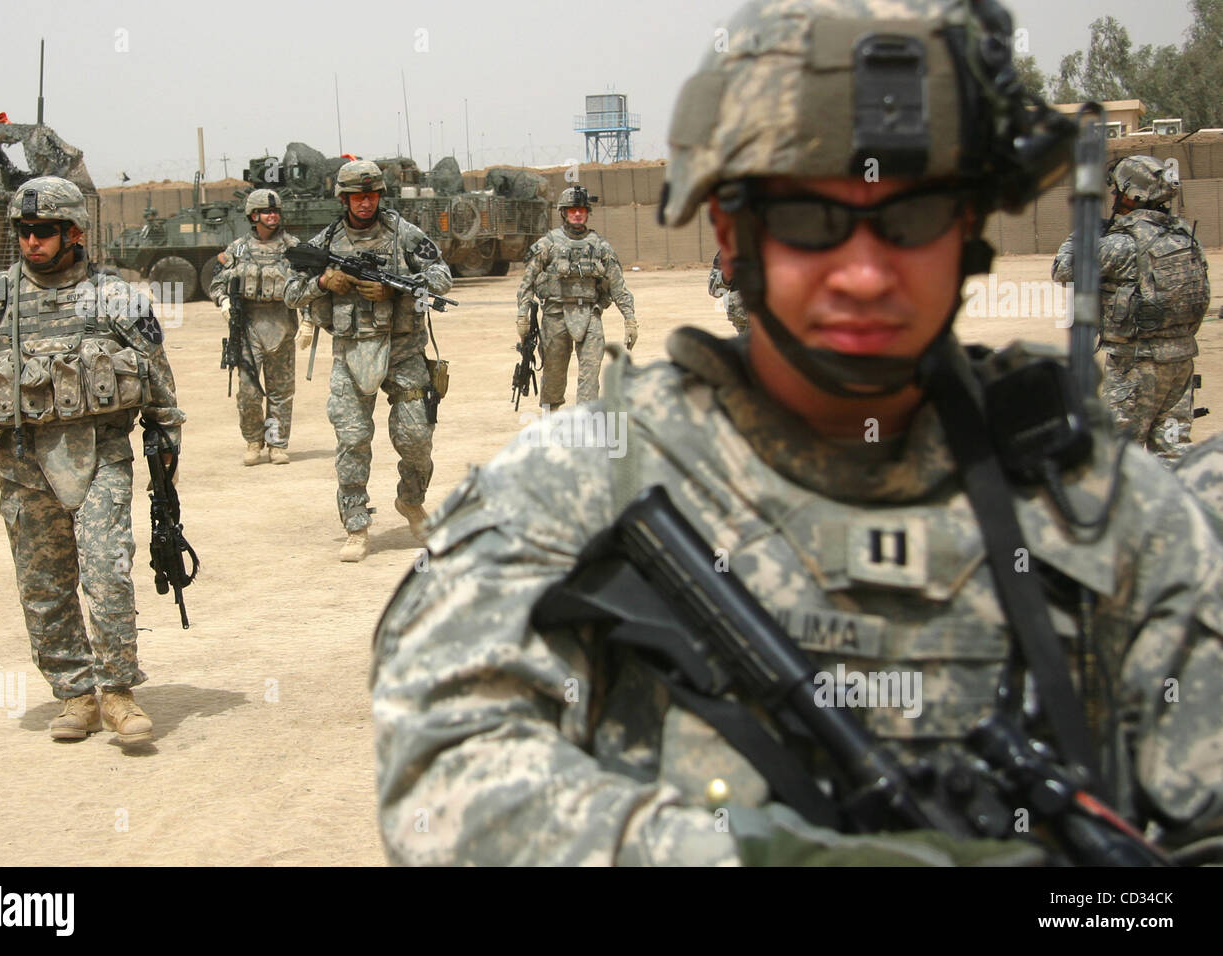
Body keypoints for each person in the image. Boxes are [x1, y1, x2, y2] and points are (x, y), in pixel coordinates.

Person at [370, 0, 1223, 866]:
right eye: (811, 221)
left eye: (911, 216)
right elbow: (445, 766)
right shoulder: (581, 485)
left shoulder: (1099, 508)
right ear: (735, 236)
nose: (863, 273)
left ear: (968, 230)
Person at [0, 176, 184, 745]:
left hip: (102, 457)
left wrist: (167, 441)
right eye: (23, 232)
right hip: (23, 465)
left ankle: (118, 692)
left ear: (74, 233)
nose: (31, 243)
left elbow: (157, 373)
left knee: (107, 572)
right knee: (43, 584)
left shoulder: (115, 296)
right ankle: (76, 694)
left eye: (43, 232)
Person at [285, 160, 452, 562]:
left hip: (404, 352)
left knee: (416, 438)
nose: (365, 203)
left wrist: (398, 292)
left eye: (372, 195)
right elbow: (291, 291)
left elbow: (443, 278)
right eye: (358, 196)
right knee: (353, 441)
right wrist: (323, 281)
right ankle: (357, 525)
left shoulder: (404, 235)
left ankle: (411, 501)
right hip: (350, 352)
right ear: (344, 199)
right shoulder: (324, 241)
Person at [1053, 155, 1211, 460]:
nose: (1114, 197)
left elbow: (1063, 268)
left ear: (1131, 194)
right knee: (1173, 453)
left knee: (1115, 457)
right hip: (1181, 363)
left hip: (1136, 366)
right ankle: (1173, 508)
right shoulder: (1186, 238)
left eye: (1118, 191)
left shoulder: (1121, 244)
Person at [516, 185, 637, 409]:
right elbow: (527, 283)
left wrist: (630, 320)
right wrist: (522, 317)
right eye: (572, 210)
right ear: (563, 212)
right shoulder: (548, 244)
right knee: (553, 374)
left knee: (590, 376)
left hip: (590, 314)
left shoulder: (600, 247)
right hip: (555, 316)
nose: (578, 214)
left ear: (588, 213)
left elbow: (618, 287)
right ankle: (551, 421)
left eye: (582, 210)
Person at [210, 188, 301, 466]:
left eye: (275, 211)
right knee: (248, 392)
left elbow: (306, 284)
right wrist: (224, 302)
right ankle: (253, 440)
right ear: (253, 215)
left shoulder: (292, 247)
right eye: (266, 211)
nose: (272, 216)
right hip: (247, 328)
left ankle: (276, 444)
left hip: (282, 325)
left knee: (281, 392)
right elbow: (216, 283)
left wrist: (308, 319)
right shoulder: (237, 249)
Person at [707, 251, 748, 332]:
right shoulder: (730, 249)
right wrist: (726, 275)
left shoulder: (777, 245)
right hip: (746, 320)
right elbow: (714, 291)